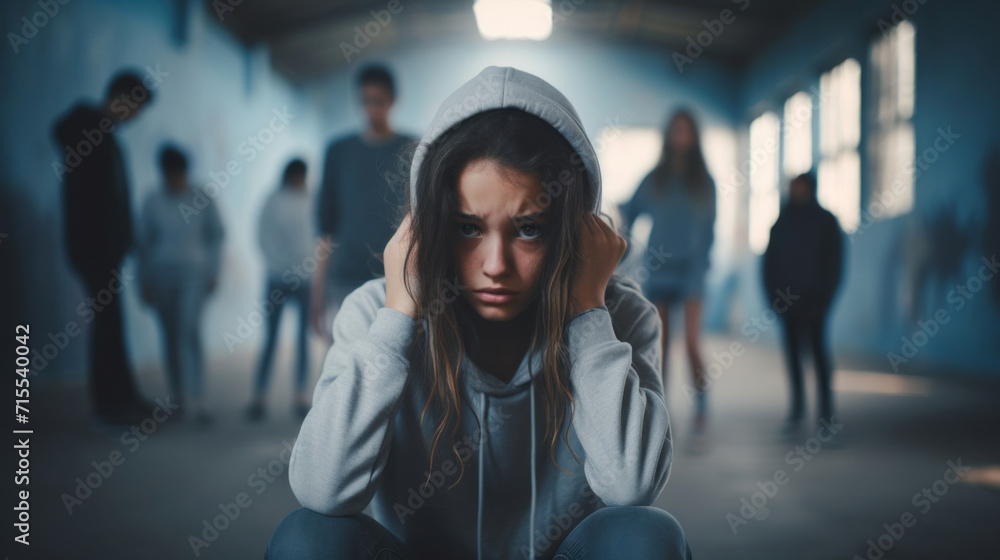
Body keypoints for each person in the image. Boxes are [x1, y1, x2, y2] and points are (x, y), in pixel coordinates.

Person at [266, 66, 692, 560]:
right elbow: (321, 490)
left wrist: (588, 316)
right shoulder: (373, 312)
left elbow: (631, 487)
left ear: (571, 229)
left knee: (646, 536)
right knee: (307, 539)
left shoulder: (620, 317)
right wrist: (398, 317)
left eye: (529, 228)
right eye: (468, 228)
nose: (495, 266)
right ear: (430, 226)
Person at [51, 69, 156, 425]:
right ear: (120, 97)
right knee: (107, 324)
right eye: (136, 107)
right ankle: (111, 405)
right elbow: (92, 200)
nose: (136, 117)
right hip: (94, 249)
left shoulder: (108, 137)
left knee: (112, 323)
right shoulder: (86, 128)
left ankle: (124, 399)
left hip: (107, 250)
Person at [619, 109, 716, 441]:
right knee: (659, 345)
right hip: (659, 272)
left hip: (692, 274)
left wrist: (701, 268)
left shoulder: (705, 183)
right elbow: (628, 213)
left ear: (694, 136)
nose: (680, 136)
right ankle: (660, 412)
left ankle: (701, 411)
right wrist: (623, 252)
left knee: (691, 343)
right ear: (668, 135)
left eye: (686, 130)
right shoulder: (654, 180)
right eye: (675, 130)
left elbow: (710, 232)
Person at [311, 63, 417, 342]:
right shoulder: (338, 152)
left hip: (397, 279)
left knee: (397, 361)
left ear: (392, 101)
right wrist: (317, 292)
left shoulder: (413, 150)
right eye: (366, 101)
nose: (372, 109)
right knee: (345, 365)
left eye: (379, 101)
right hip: (345, 277)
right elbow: (326, 226)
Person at [137, 145, 225, 426]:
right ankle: (177, 399)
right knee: (170, 337)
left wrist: (213, 270)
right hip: (161, 277)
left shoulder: (201, 197)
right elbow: (143, 245)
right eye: (171, 175)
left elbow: (217, 235)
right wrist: (144, 281)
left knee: (189, 331)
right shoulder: (152, 201)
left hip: (194, 276)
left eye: (179, 174)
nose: (176, 180)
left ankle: (199, 399)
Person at [763, 172, 843, 439]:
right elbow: (768, 266)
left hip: (815, 307)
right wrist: (775, 301)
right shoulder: (780, 224)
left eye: (802, 186)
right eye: (794, 187)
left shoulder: (826, 222)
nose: (797, 191)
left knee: (820, 359)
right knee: (794, 360)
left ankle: (826, 418)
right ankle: (796, 414)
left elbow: (834, 266)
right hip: (788, 309)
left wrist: (824, 301)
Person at [248, 159, 316, 421]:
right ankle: (259, 397)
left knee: (302, 340)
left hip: (306, 280)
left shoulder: (312, 199)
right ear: (291, 176)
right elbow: (263, 237)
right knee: (271, 339)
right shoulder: (272, 201)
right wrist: (282, 265)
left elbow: (318, 237)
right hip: (277, 278)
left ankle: (300, 396)